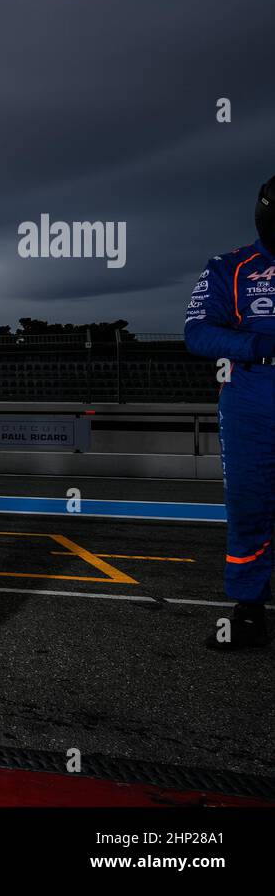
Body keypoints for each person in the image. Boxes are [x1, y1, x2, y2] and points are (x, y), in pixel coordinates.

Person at [184, 175, 275, 651]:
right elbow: (197, 332)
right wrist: (259, 345)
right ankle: (248, 611)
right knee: (249, 507)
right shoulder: (230, 266)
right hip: (251, 405)